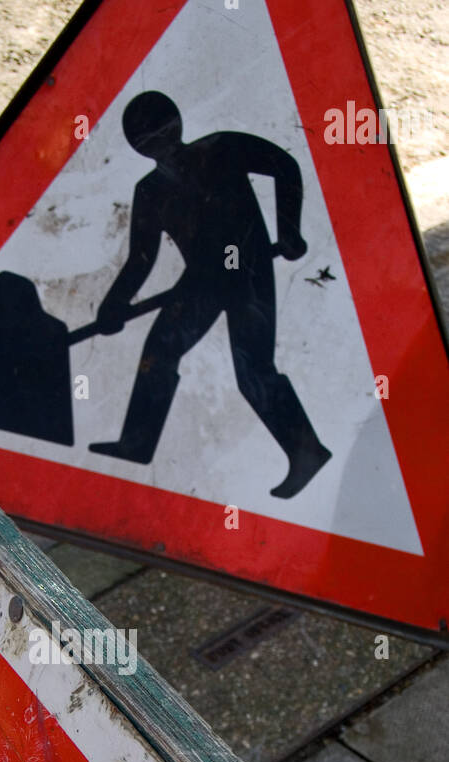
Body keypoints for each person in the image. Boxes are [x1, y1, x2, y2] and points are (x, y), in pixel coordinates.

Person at [89, 91, 331, 499]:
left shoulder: (222, 148)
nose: (160, 144)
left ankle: (307, 452)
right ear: (137, 147)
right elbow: (141, 258)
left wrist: (288, 228)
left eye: (163, 132)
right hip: (200, 281)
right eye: (147, 140)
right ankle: (136, 444)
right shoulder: (150, 190)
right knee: (158, 352)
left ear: (177, 124)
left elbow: (284, 166)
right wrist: (114, 304)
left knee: (253, 369)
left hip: (247, 269)